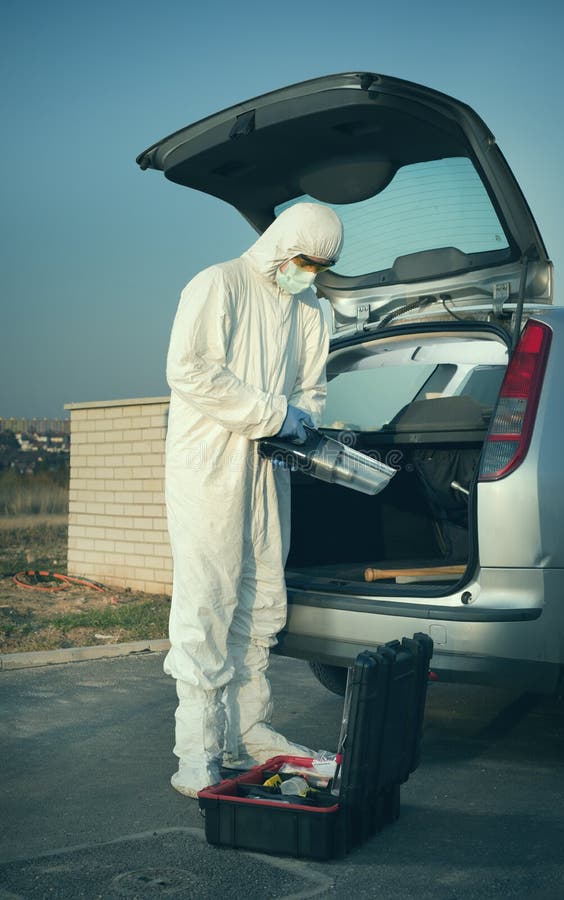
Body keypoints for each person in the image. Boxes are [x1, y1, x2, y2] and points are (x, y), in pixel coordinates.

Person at [164, 202, 344, 797]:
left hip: (267, 466)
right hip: (209, 465)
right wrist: (272, 414)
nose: (308, 273)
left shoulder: (308, 310)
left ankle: (248, 731)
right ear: (280, 245)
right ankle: (198, 752)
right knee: (208, 600)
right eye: (304, 260)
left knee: (262, 597)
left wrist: (300, 421)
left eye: (319, 266)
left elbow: (312, 388)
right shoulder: (218, 284)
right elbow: (189, 370)